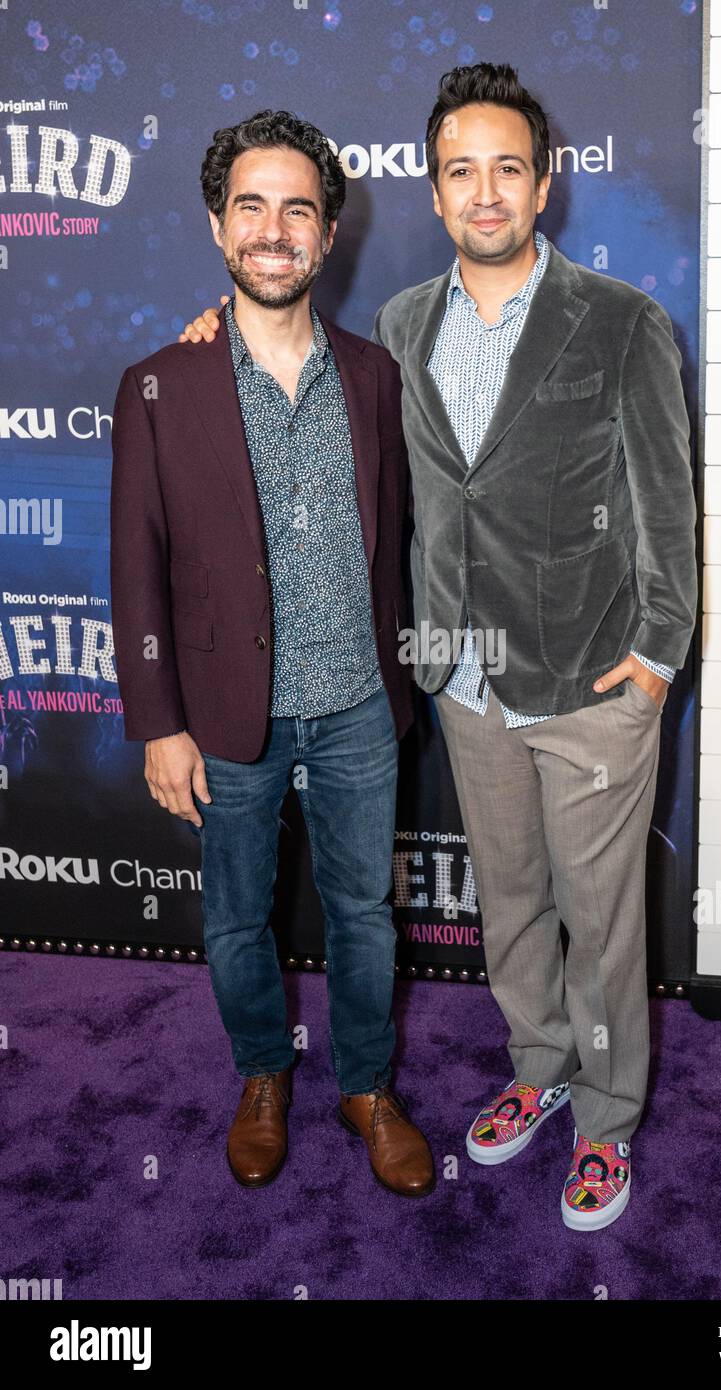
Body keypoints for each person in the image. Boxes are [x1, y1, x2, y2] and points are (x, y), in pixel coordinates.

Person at [179, 64, 698, 1231]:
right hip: (457, 674)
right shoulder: (401, 328)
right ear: (431, 190)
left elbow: (667, 504)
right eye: (459, 169)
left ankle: (607, 1120)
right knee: (509, 902)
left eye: (507, 168)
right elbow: (292, 373)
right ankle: (540, 1066)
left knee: (603, 922)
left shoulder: (622, 324)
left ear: (545, 186)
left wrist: (658, 655)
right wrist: (209, 337)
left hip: (593, 680)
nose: (484, 191)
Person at [111, 109, 434, 1198]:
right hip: (222, 710)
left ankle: (367, 1086)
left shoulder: (376, 376)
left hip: (355, 702)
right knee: (239, 917)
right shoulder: (161, 384)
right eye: (251, 205)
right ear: (217, 227)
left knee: (362, 914)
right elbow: (136, 563)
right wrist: (157, 719)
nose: (273, 228)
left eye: (298, 206)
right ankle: (262, 1075)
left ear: (329, 231)